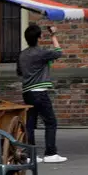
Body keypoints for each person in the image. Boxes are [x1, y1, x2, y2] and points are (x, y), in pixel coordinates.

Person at [17, 24, 66, 164]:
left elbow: (20, 72)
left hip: (27, 92)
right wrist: (53, 35)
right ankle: (51, 153)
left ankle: (31, 155)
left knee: (30, 124)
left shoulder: (22, 54)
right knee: (50, 122)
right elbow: (58, 52)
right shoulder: (41, 52)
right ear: (39, 37)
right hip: (40, 92)